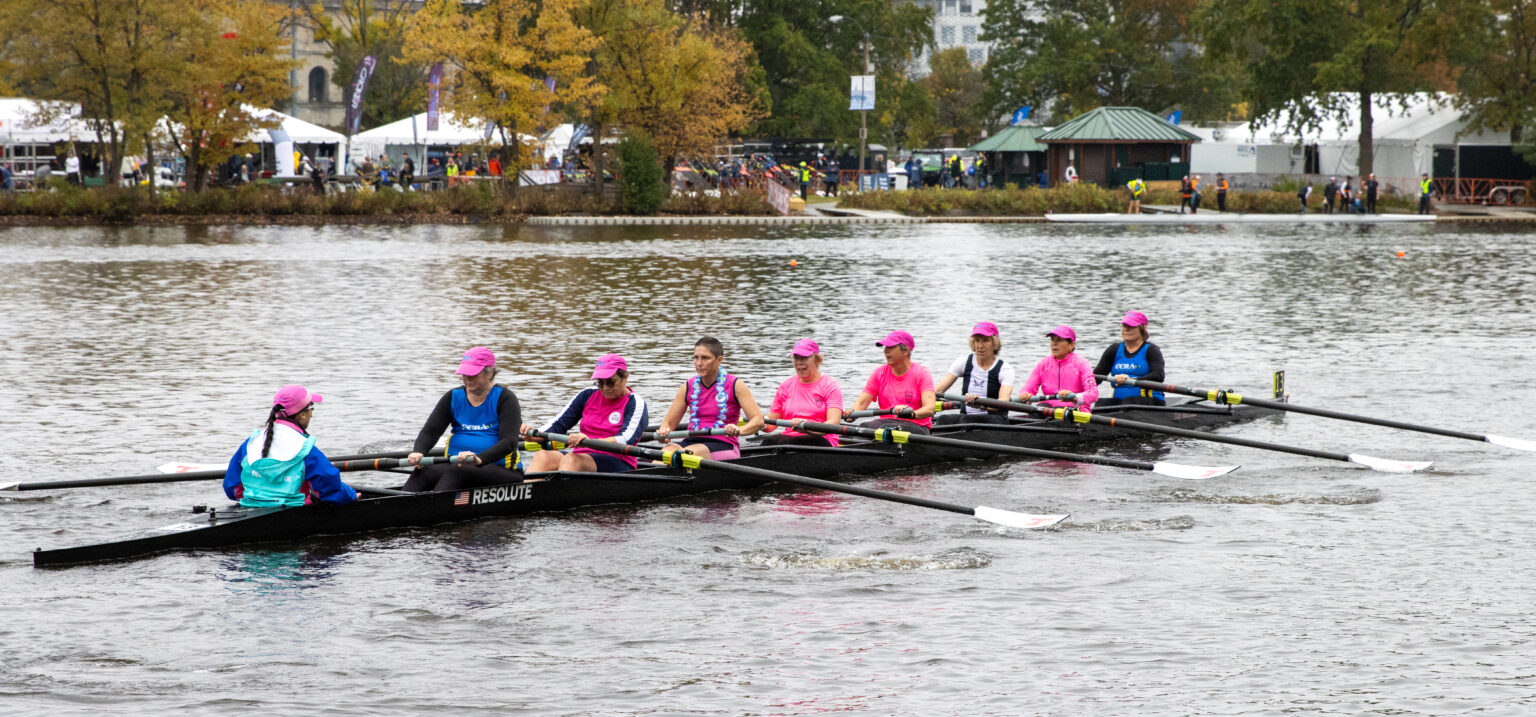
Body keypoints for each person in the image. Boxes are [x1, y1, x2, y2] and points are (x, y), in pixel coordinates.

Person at [402, 347, 525, 492]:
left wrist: (479, 458)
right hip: (457, 465)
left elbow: (509, 442)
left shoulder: (505, 399)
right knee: (424, 470)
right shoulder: (453, 397)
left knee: (458, 470)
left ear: (490, 372)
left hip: (502, 471)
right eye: (464, 374)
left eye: (472, 374)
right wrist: (419, 451)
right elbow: (430, 432)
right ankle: (396, 506)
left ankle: (435, 507)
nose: (467, 379)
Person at [222, 385, 357, 508]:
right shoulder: (306, 449)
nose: (312, 413)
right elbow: (330, 491)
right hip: (293, 513)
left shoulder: (251, 443)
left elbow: (232, 489)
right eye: (311, 408)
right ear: (302, 414)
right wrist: (351, 495)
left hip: (251, 507)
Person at [521, 354, 649, 473]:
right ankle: (526, 495)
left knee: (571, 460)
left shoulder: (635, 402)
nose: (604, 388)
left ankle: (559, 494)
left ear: (625, 377)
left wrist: (592, 441)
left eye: (610, 382)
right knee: (543, 456)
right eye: (600, 382)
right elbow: (559, 423)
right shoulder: (587, 394)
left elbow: (627, 439)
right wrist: (536, 434)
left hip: (618, 460)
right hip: (582, 456)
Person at [655, 336, 766, 460]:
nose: (699, 363)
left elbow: (758, 420)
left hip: (723, 444)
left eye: (705, 358)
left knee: (682, 456)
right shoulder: (688, 386)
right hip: (691, 441)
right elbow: (669, 423)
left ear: (719, 360)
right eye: (696, 357)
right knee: (661, 456)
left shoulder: (736, 384)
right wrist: (664, 431)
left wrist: (739, 430)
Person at [849, 330, 937, 435]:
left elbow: (930, 408)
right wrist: (851, 414)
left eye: (890, 347)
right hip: (885, 425)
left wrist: (911, 413)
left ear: (905, 351)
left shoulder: (921, 373)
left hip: (916, 426)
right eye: (885, 347)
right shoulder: (879, 373)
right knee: (864, 427)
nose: (886, 351)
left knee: (884, 428)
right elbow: (861, 403)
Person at [761, 339, 845, 447]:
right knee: (768, 442)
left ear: (816, 359)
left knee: (785, 445)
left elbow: (833, 423)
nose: (799, 363)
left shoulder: (830, 385)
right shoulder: (785, 386)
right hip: (790, 438)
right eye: (796, 358)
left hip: (823, 439)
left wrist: (806, 427)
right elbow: (770, 425)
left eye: (804, 358)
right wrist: (760, 423)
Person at [934, 321, 1015, 425]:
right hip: (967, 418)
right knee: (943, 419)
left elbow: (1004, 401)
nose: (980, 345)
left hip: (995, 420)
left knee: (966, 420)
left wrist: (982, 405)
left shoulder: (1005, 369)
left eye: (985, 341)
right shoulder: (963, 362)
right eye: (977, 341)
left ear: (995, 343)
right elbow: (938, 390)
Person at [1093, 311, 1166, 408]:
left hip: (1150, 402)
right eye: (1124, 326)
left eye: (1131, 326)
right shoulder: (1113, 350)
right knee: (1100, 404)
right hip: (1121, 403)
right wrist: (1073, 393)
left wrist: (1131, 379)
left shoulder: (1151, 350)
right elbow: (1095, 378)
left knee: (1130, 402)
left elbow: (1158, 376)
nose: (1126, 329)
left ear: (1143, 328)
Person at [1021, 326, 1098, 411]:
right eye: (1052, 340)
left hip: (1076, 409)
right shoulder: (1043, 363)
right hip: (1048, 407)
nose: (1054, 343)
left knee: (1058, 410)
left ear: (1072, 345)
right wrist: (1025, 394)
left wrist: (1074, 397)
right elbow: (1028, 387)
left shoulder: (1082, 363)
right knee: (1039, 408)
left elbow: (1093, 394)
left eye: (1059, 340)